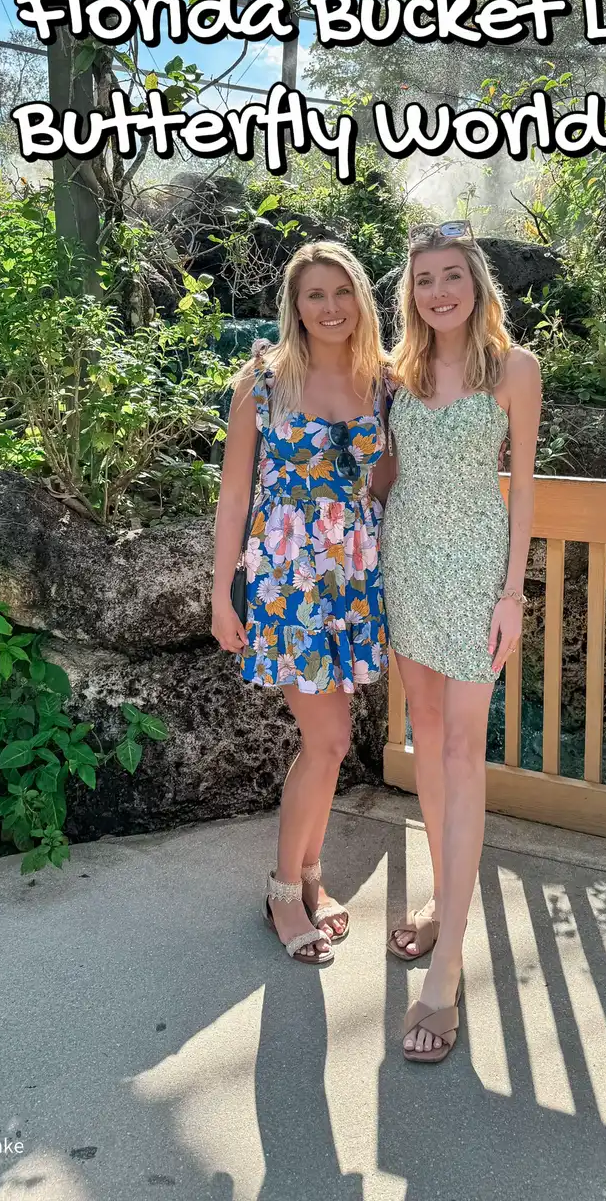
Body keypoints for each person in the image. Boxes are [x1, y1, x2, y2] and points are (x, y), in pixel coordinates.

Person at [381, 220, 541, 1061]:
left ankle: (447, 965)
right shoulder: (399, 372)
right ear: (410, 293)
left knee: (463, 751)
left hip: (477, 574)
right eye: (424, 280)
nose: (438, 291)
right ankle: (445, 901)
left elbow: (523, 490)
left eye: (452, 276)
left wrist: (513, 593)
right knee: (428, 737)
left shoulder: (514, 370)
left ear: (477, 283)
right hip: (407, 563)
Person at [211, 240, 391, 965]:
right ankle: (285, 892)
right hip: (286, 582)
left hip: (350, 580)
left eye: (342, 292)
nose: (331, 307)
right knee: (327, 739)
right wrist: (223, 594)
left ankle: (311, 879)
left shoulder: (379, 382)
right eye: (315, 295)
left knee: (336, 739)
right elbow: (233, 496)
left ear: (360, 299)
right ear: (295, 304)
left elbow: (384, 485)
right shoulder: (260, 381)